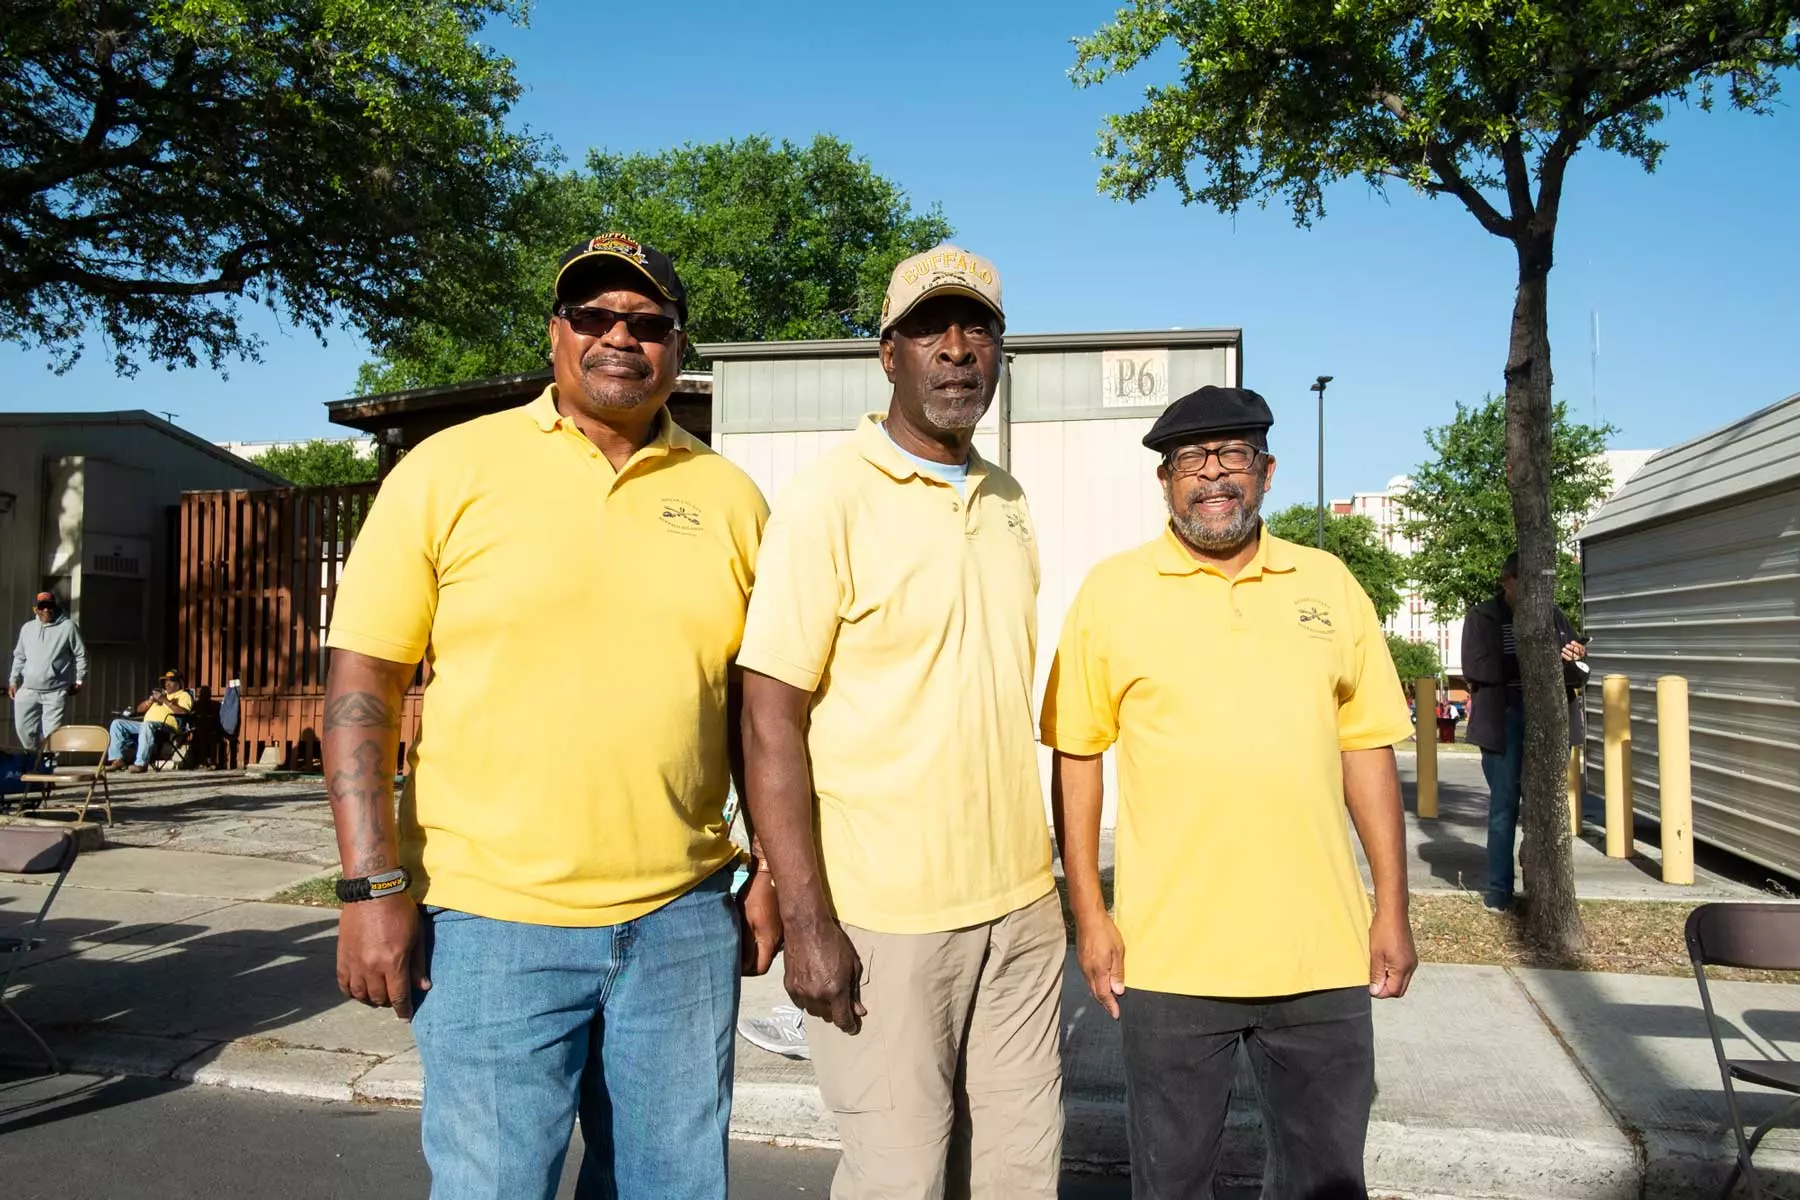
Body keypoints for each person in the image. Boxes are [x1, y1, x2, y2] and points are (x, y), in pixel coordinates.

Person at [320, 233, 779, 1200]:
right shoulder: (452, 470)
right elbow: (363, 682)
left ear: (679, 347)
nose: (621, 337)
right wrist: (369, 886)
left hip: (684, 923)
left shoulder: (731, 498)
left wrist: (770, 873)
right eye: (594, 316)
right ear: (555, 333)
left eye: (648, 323)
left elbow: (756, 712)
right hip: (491, 924)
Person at [740, 244, 1063, 1199]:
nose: (957, 350)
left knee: (1019, 1178)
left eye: (977, 329)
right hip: (886, 922)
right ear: (890, 355)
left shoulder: (1008, 500)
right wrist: (806, 917)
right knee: (902, 1183)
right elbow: (769, 720)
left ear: (1000, 353)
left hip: (1021, 908)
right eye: (931, 328)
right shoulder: (827, 500)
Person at [1041, 385, 1418, 1200]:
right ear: (1166, 483)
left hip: (1321, 955)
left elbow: (1367, 748)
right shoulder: (1111, 593)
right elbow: (1078, 755)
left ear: (1267, 472)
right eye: (1190, 462)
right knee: (1171, 1186)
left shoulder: (1330, 584)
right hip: (1171, 962)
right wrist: (1091, 915)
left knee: (1326, 1182)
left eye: (1233, 456)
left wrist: (1392, 905)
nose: (1213, 477)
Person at [1461, 552, 1589, 911]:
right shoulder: (1482, 616)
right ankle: (1499, 891)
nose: (1537, 590)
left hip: (1549, 718)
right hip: (1504, 719)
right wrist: (1532, 656)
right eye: (1526, 580)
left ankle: (1544, 889)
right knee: (1504, 806)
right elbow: (1476, 667)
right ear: (1507, 581)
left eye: (1542, 581)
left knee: (1545, 807)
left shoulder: (1555, 617)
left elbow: (1577, 671)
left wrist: (1574, 656)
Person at [9, 592, 86, 753]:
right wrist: (13, 681)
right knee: (23, 730)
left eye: (49, 606)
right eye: (41, 607)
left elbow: (80, 654)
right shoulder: (27, 628)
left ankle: (47, 771)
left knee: (53, 735)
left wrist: (79, 680)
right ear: (35, 609)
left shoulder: (68, 627)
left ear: (55, 607)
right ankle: (33, 762)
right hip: (28, 689)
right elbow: (19, 656)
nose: (46, 610)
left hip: (55, 692)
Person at [107, 671, 194, 772]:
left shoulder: (184, 695)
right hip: (147, 726)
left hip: (166, 728)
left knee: (147, 725)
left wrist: (165, 700)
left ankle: (141, 764)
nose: (167, 684)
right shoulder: (162, 694)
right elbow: (139, 709)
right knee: (117, 723)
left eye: (171, 681)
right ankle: (117, 760)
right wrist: (150, 701)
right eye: (165, 681)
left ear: (179, 683)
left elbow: (183, 712)